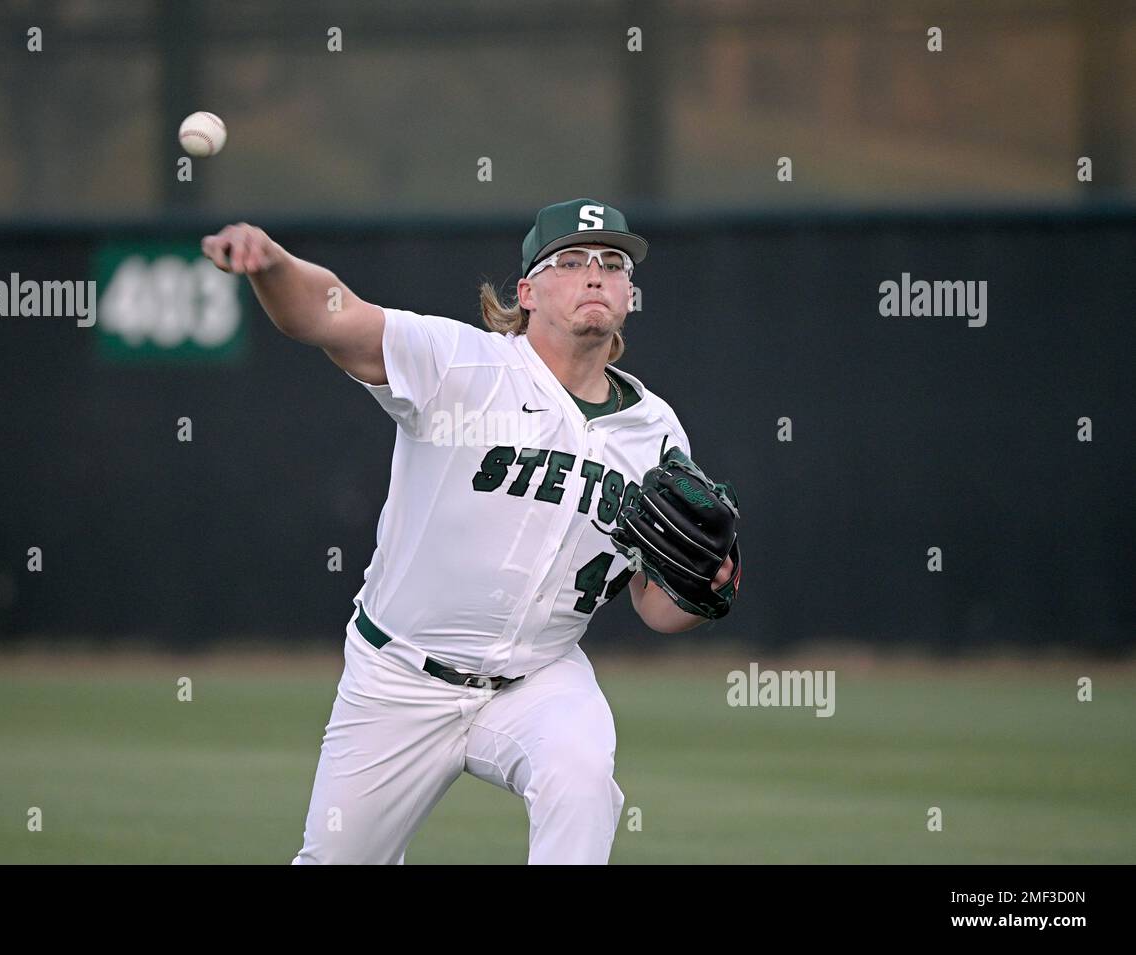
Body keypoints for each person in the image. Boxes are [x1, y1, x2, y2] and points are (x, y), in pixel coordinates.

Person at [201, 198, 737, 864]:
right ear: (528, 291)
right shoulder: (461, 365)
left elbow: (654, 605)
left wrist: (702, 591)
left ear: (631, 293)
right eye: (570, 261)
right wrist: (273, 265)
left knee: (582, 778)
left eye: (612, 264)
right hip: (399, 675)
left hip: (540, 679)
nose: (594, 275)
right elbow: (329, 315)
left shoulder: (655, 431)